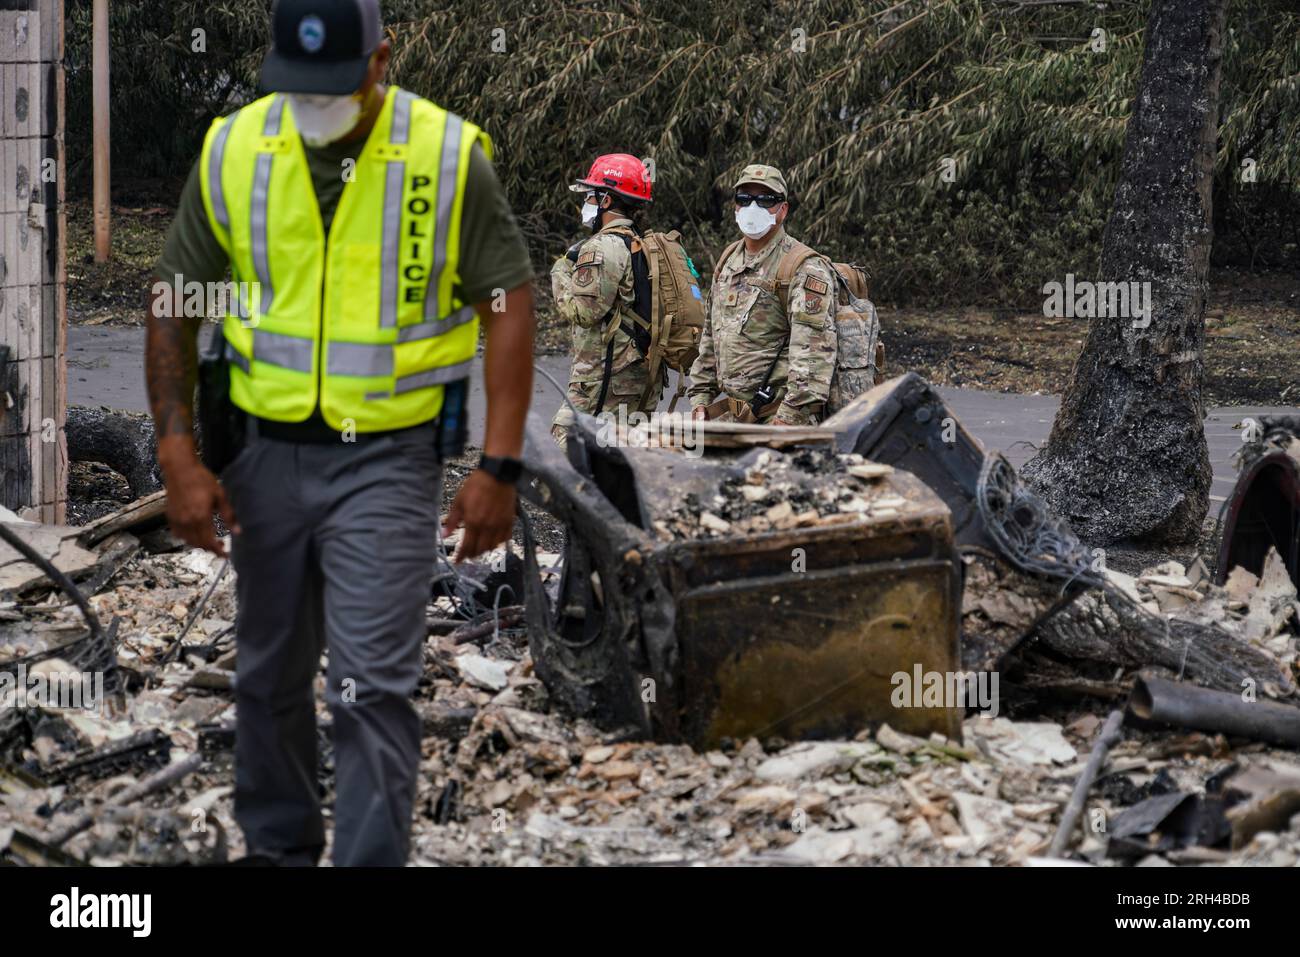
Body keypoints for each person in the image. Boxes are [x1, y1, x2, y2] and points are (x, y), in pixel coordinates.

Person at [144, 0, 535, 866]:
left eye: (332, 86)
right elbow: (174, 300)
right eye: (296, 86)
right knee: (269, 677)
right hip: (262, 456)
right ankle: (279, 849)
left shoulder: (444, 153)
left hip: (388, 462)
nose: (311, 103)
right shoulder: (236, 146)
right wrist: (178, 454)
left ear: (380, 60)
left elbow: (506, 299)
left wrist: (499, 463)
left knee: (371, 689)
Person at [688, 164, 837, 425]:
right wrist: (700, 399)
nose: (752, 208)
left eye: (766, 200)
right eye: (744, 199)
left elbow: (814, 357)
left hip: (779, 420)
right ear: (735, 206)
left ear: (783, 210)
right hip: (732, 418)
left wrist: (787, 422)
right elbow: (712, 335)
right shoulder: (729, 259)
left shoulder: (803, 267)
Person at [549, 153, 664, 444]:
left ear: (607, 201)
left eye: (590, 196)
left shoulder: (602, 247)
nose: (585, 203)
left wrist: (561, 270)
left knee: (563, 457)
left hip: (603, 379)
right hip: (642, 376)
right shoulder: (648, 244)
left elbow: (584, 312)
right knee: (619, 460)